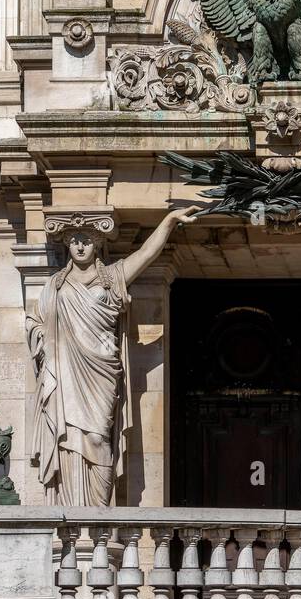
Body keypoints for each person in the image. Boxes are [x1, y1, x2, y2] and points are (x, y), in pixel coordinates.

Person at [27, 205, 201, 505]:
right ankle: (74, 517)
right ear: (67, 244)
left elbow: (146, 255)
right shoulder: (55, 285)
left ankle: (99, 518)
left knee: (98, 439)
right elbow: (35, 322)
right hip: (67, 368)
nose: (80, 246)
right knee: (69, 440)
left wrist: (169, 221)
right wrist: (42, 338)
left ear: (98, 244)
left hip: (102, 371)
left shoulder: (114, 277)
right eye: (74, 240)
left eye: (87, 240)